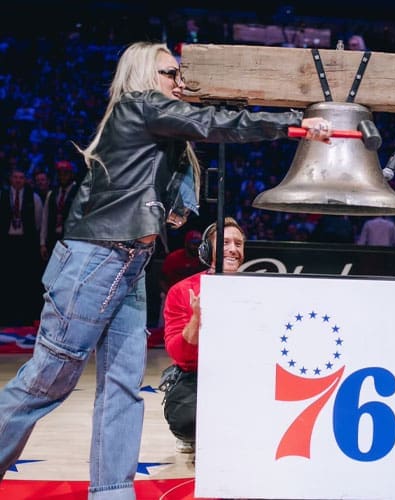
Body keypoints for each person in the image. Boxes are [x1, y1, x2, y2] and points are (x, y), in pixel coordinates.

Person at [0, 41, 332, 499]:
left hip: (131, 263)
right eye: (169, 73)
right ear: (142, 75)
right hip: (96, 258)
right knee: (47, 380)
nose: (180, 81)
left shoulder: (159, 130)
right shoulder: (138, 105)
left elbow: (174, 184)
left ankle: (113, 491)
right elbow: (211, 122)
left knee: (123, 386)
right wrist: (290, 124)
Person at [161, 217, 245, 455]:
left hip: (241, 376)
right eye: (225, 243)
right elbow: (179, 355)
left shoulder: (256, 288)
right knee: (187, 421)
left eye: (238, 244)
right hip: (197, 376)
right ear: (207, 250)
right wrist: (197, 319)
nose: (233, 249)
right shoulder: (181, 291)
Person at [0, 167, 45, 326]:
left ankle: (24, 316)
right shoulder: (2, 195)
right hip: (6, 243)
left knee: (24, 280)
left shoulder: (34, 198)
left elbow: (38, 222)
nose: (18, 180)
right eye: (15, 177)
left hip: (25, 244)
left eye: (21, 177)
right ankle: (6, 316)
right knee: (6, 280)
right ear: (10, 179)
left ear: (25, 180)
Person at [159, 229, 205, 294]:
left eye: (199, 244)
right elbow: (162, 279)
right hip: (174, 293)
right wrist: (169, 293)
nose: (197, 247)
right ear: (186, 243)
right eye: (194, 244)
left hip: (195, 295)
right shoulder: (173, 257)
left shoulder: (204, 259)